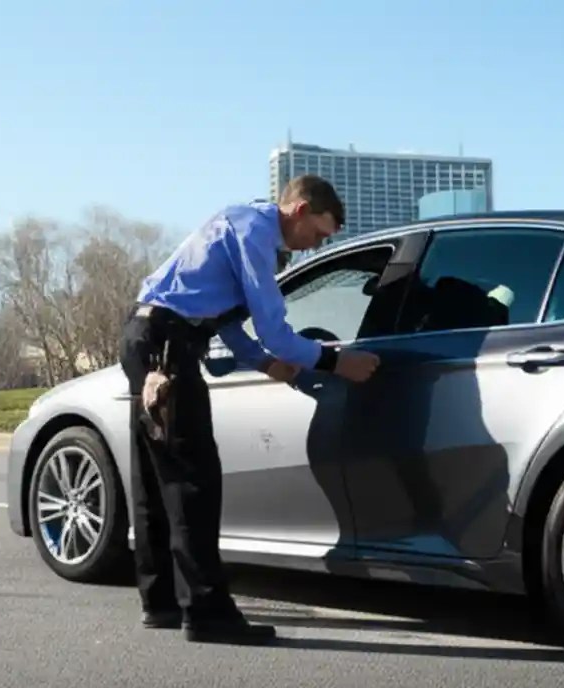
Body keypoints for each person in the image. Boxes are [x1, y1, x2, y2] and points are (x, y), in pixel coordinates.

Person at [118, 174, 380, 645]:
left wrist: (263, 363)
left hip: (146, 337)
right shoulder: (256, 232)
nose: (314, 246)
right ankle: (207, 613)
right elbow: (274, 329)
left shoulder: (242, 223)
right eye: (318, 234)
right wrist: (335, 361)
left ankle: (160, 601)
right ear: (299, 211)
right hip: (168, 347)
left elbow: (227, 322)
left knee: (157, 479)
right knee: (193, 481)